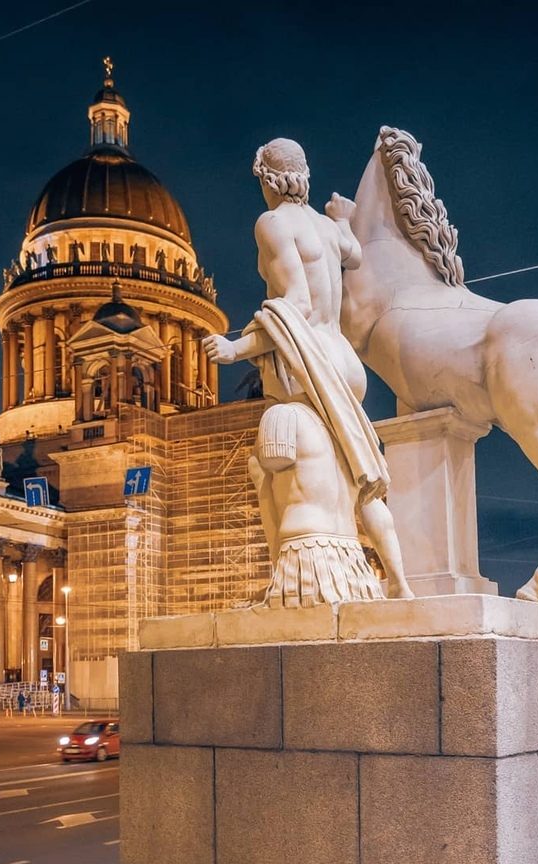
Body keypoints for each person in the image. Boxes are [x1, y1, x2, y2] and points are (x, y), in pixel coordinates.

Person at [202, 138, 412, 607]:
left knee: (270, 471)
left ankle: (289, 577)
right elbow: (352, 253)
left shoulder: (272, 223)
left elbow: (294, 303)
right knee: (361, 473)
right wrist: (340, 216)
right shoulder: (323, 224)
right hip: (344, 361)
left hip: (308, 361)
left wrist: (236, 348)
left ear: (267, 179)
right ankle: (397, 580)